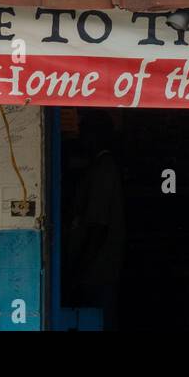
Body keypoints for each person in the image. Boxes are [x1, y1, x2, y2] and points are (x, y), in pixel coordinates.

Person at [68, 111, 125, 330]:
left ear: (97, 135)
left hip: (97, 270)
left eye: (84, 133)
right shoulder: (99, 167)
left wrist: (80, 268)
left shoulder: (104, 168)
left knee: (98, 320)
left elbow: (97, 226)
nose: (80, 139)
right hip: (96, 268)